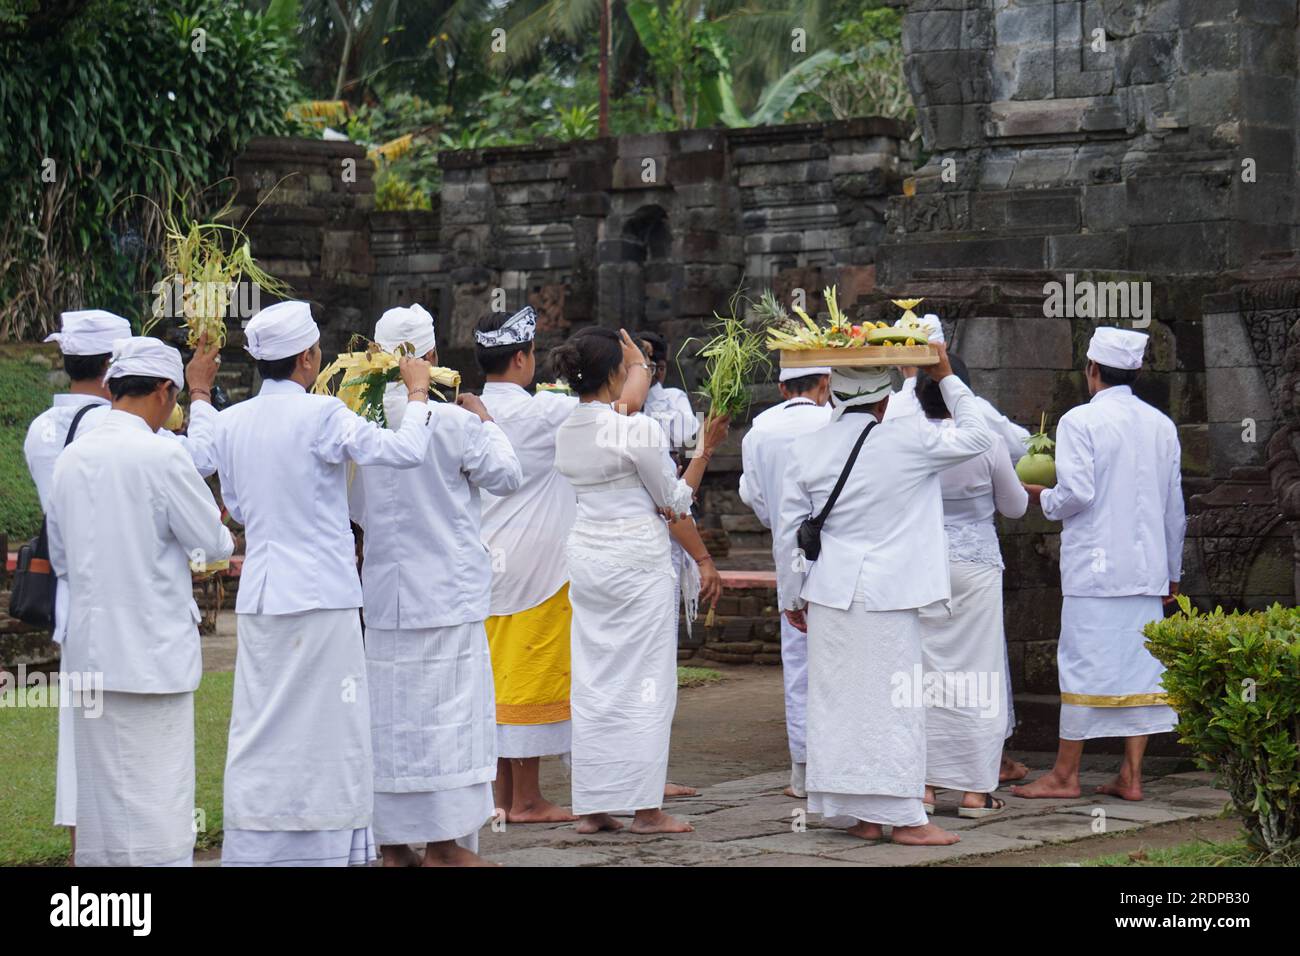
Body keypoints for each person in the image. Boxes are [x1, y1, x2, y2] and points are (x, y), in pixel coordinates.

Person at [185, 299, 436, 866]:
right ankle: (326, 848)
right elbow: (405, 450)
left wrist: (199, 393)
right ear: (307, 358)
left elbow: (193, 457)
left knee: (262, 724)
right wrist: (417, 393)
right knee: (331, 726)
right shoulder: (323, 416)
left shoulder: (232, 420)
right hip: (322, 596)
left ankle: (263, 847)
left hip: (266, 596)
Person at [775, 345, 993, 846]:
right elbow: (980, 434)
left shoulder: (807, 448)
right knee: (893, 705)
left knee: (841, 706)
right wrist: (945, 376)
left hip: (829, 593)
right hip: (888, 594)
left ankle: (865, 815)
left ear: (833, 394)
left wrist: (792, 598)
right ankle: (905, 818)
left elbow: (790, 534)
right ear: (883, 400)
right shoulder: (908, 438)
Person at [48, 336, 234, 866]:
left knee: (104, 807)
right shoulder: (161, 455)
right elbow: (213, 544)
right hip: (152, 658)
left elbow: (62, 558)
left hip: (90, 657)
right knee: (158, 808)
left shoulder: (72, 456)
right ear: (163, 391)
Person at [348, 305, 521, 867]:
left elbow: (355, 509)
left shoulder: (359, 427)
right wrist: (487, 419)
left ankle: (394, 846)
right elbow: (507, 476)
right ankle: (445, 846)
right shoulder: (455, 423)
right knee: (448, 721)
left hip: (388, 598)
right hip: (446, 596)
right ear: (432, 360)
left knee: (390, 719)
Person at [477, 306, 652, 823]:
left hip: (488, 559)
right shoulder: (542, 412)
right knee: (532, 675)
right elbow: (620, 410)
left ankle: (503, 797)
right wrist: (638, 367)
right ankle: (528, 798)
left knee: (499, 679)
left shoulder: (470, 412)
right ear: (521, 358)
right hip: (541, 562)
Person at [552, 326, 728, 835]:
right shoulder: (638, 432)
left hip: (588, 556)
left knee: (594, 679)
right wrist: (704, 451)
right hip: (635, 561)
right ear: (614, 374)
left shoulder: (567, 430)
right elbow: (673, 503)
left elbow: (618, 415)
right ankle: (647, 810)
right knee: (647, 681)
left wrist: (636, 371)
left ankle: (593, 805)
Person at [1013, 327, 1185, 802]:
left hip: (1096, 571)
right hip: (1147, 569)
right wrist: (1173, 569)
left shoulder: (1079, 422)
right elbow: (1175, 505)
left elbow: (1076, 494)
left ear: (1092, 370)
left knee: (1082, 665)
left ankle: (1066, 774)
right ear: (1134, 371)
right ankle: (1131, 774)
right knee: (1139, 669)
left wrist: (1039, 496)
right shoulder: (1161, 425)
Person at [23, 308, 132, 851]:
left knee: (79, 732)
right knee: (126, 740)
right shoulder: (112, 431)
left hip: (74, 603)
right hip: (123, 603)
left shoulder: (41, 429)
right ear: (112, 366)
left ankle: (82, 852)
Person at [912, 355, 1027, 818]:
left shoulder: (909, 439)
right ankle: (976, 791)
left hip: (922, 563)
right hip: (976, 561)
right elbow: (1016, 507)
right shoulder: (985, 440)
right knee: (981, 675)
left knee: (925, 675)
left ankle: (925, 786)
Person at [738, 363, 832, 798]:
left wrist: (781, 522)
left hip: (788, 554)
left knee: (798, 665)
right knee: (841, 662)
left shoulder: (758, 432)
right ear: (826, 384)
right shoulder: (835, 422)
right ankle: (840, 766)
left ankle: (803, 770)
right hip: (838, 555)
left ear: (780, 387)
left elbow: (755, 499)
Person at [885, 314, 1028, 467]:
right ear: (943, 351)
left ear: (897, 362)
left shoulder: (889, 408)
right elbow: (1022, 446)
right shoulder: (975, 408)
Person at [637, 329, 699, 453]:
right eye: (652, 367)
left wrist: (654, 390)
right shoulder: (623, 396)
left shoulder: (674, 397)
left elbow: (685, 435)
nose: (658, 373)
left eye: (661, 368)